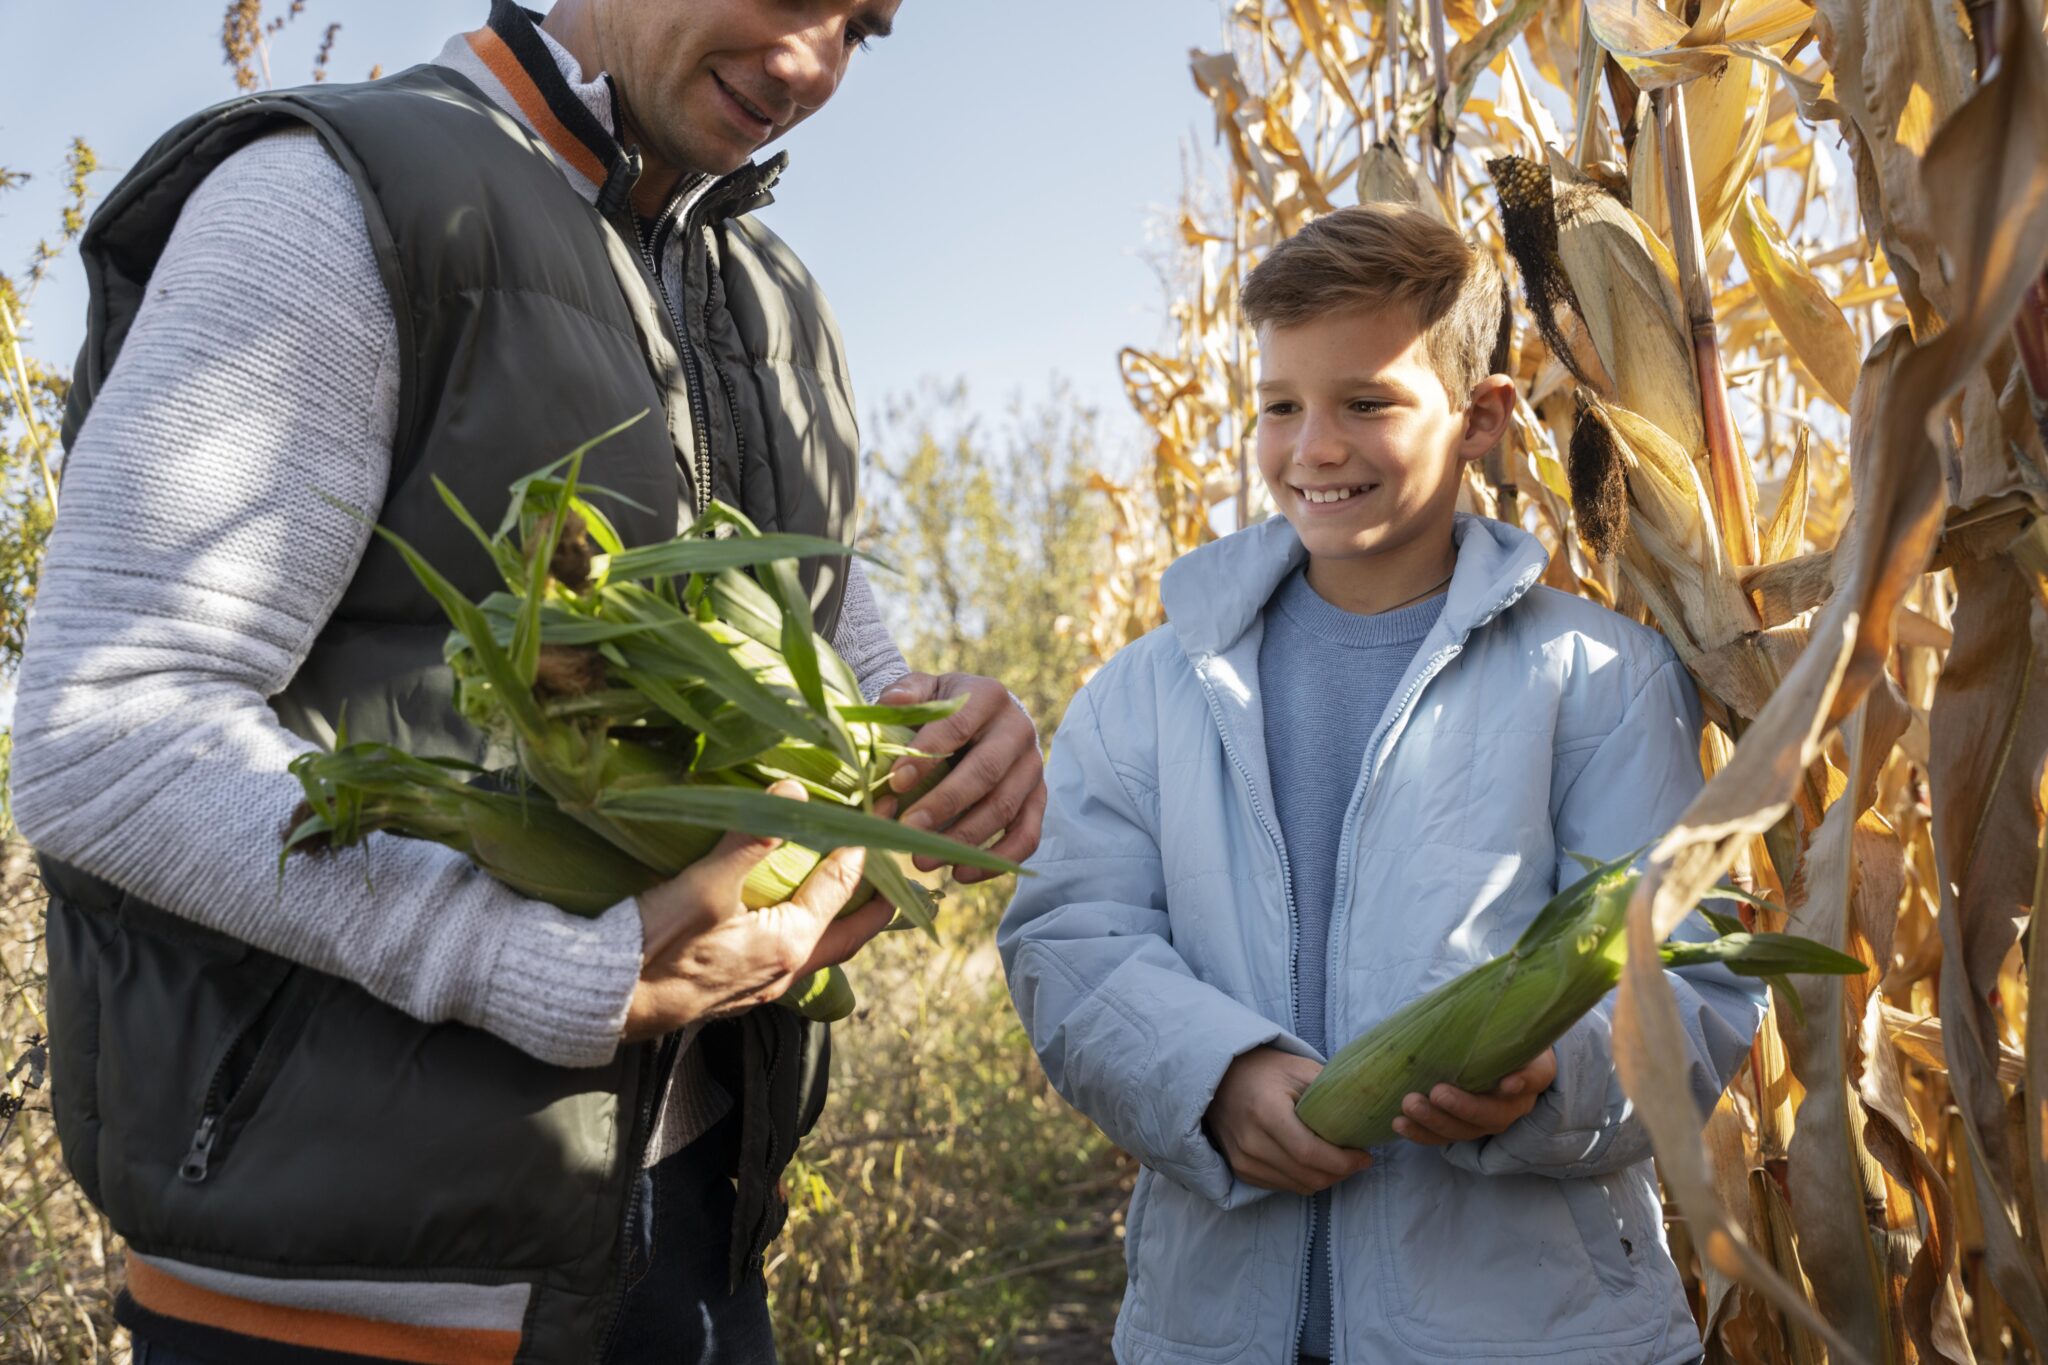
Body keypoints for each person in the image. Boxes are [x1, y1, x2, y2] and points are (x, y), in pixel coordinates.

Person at [11, 2, 1044, 1361]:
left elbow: (835, 657)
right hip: (350, 1292)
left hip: (687, 1250)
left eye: (863, 24)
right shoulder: (340, 198)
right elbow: (106, 738)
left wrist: (946, 747)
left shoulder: (766, 296)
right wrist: (551, 967)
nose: (812, 65)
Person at [998, 205, 1765, 1365]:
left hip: (1533, 1331)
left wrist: (1555, 1076)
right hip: (1217, 1326)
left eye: (1365, 403)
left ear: (1480, 420)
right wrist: (1212, 1078)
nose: (1312, 447)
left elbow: (1689, 971)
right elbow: (1070, 936)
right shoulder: (1146, 692)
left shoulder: (1596, 679)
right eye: (1279, 406)